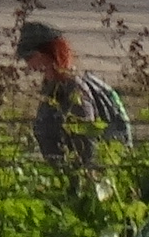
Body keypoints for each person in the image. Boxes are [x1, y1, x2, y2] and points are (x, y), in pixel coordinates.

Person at [23, 21, 130, 161]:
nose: (28, 64)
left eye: (29, 57)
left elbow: (86, 140)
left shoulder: (74, 89)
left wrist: (80, 174)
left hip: (77, 171)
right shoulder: (51, 87)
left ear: (44, 55)